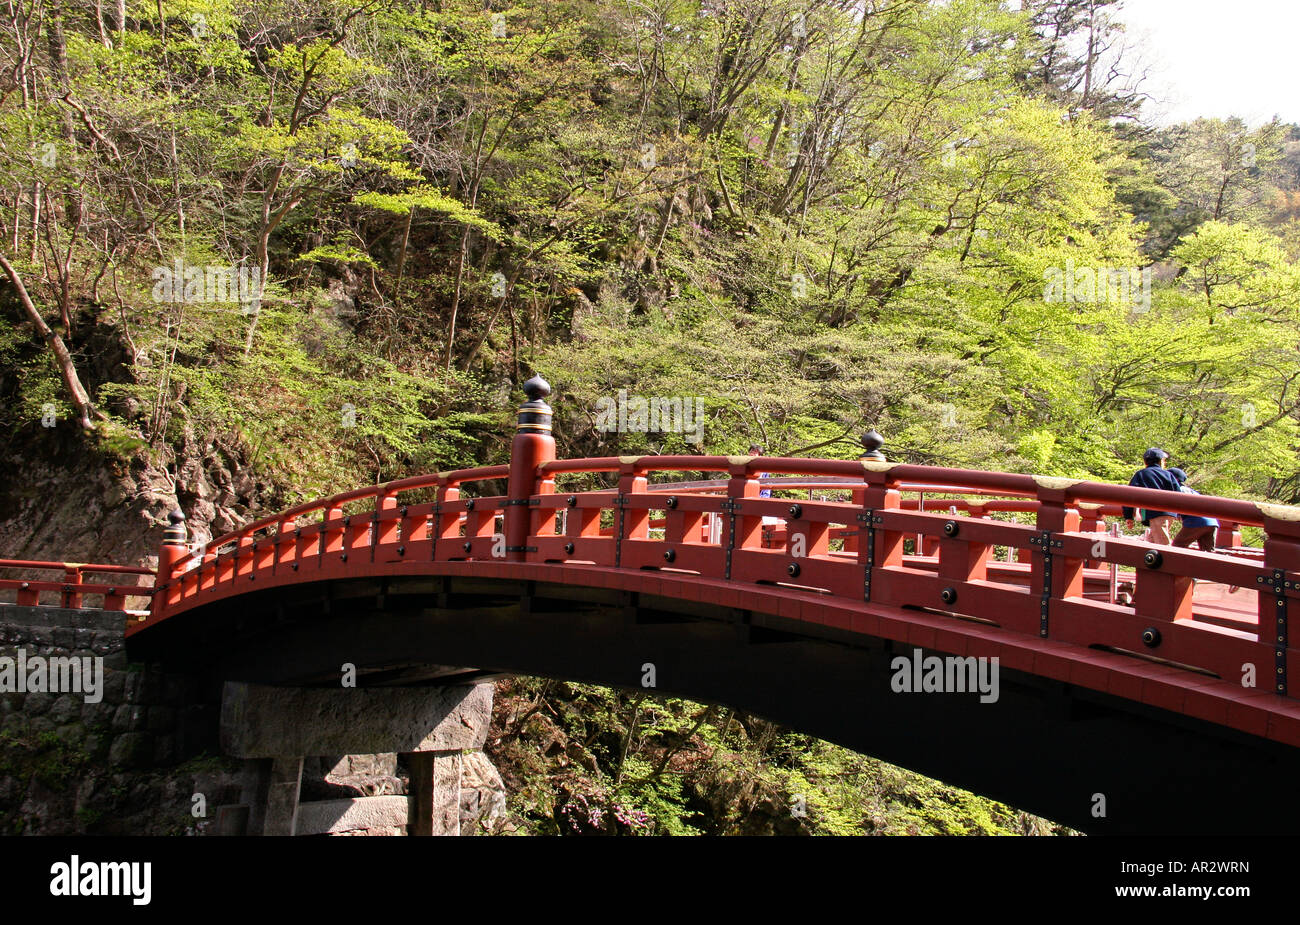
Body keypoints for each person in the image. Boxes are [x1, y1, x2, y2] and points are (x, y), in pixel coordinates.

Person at [1121, 448, 1181, 545]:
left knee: (1162, 544)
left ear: (1145, 462)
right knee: (1152, 541)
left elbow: (1130, 495)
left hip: (1155, 513)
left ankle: (1169, 560)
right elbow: (1179, 494)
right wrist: (1179, 512)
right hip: (1169, 513)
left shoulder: (1141, 474)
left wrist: (1128, 516)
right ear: (1161, 461)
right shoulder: (1168, 474)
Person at [1167, 467, 1218, 552]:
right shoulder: (1190, 490)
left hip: (1197, 521)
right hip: (1212, 522)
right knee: (1208, 552)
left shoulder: (1178, 490)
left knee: (1177, 546)